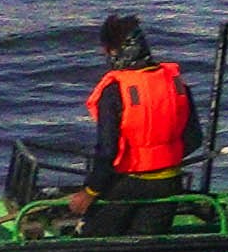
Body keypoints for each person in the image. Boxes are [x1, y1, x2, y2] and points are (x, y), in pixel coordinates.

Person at [82, 13, 197, 233]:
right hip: (170, 182)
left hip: (130, 182)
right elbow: (194, 139)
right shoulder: (176, 84)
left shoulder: (115, 91)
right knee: (148, 242)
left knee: (93, 234)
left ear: (115, 51)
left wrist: (90, 192)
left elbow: (108, 151)